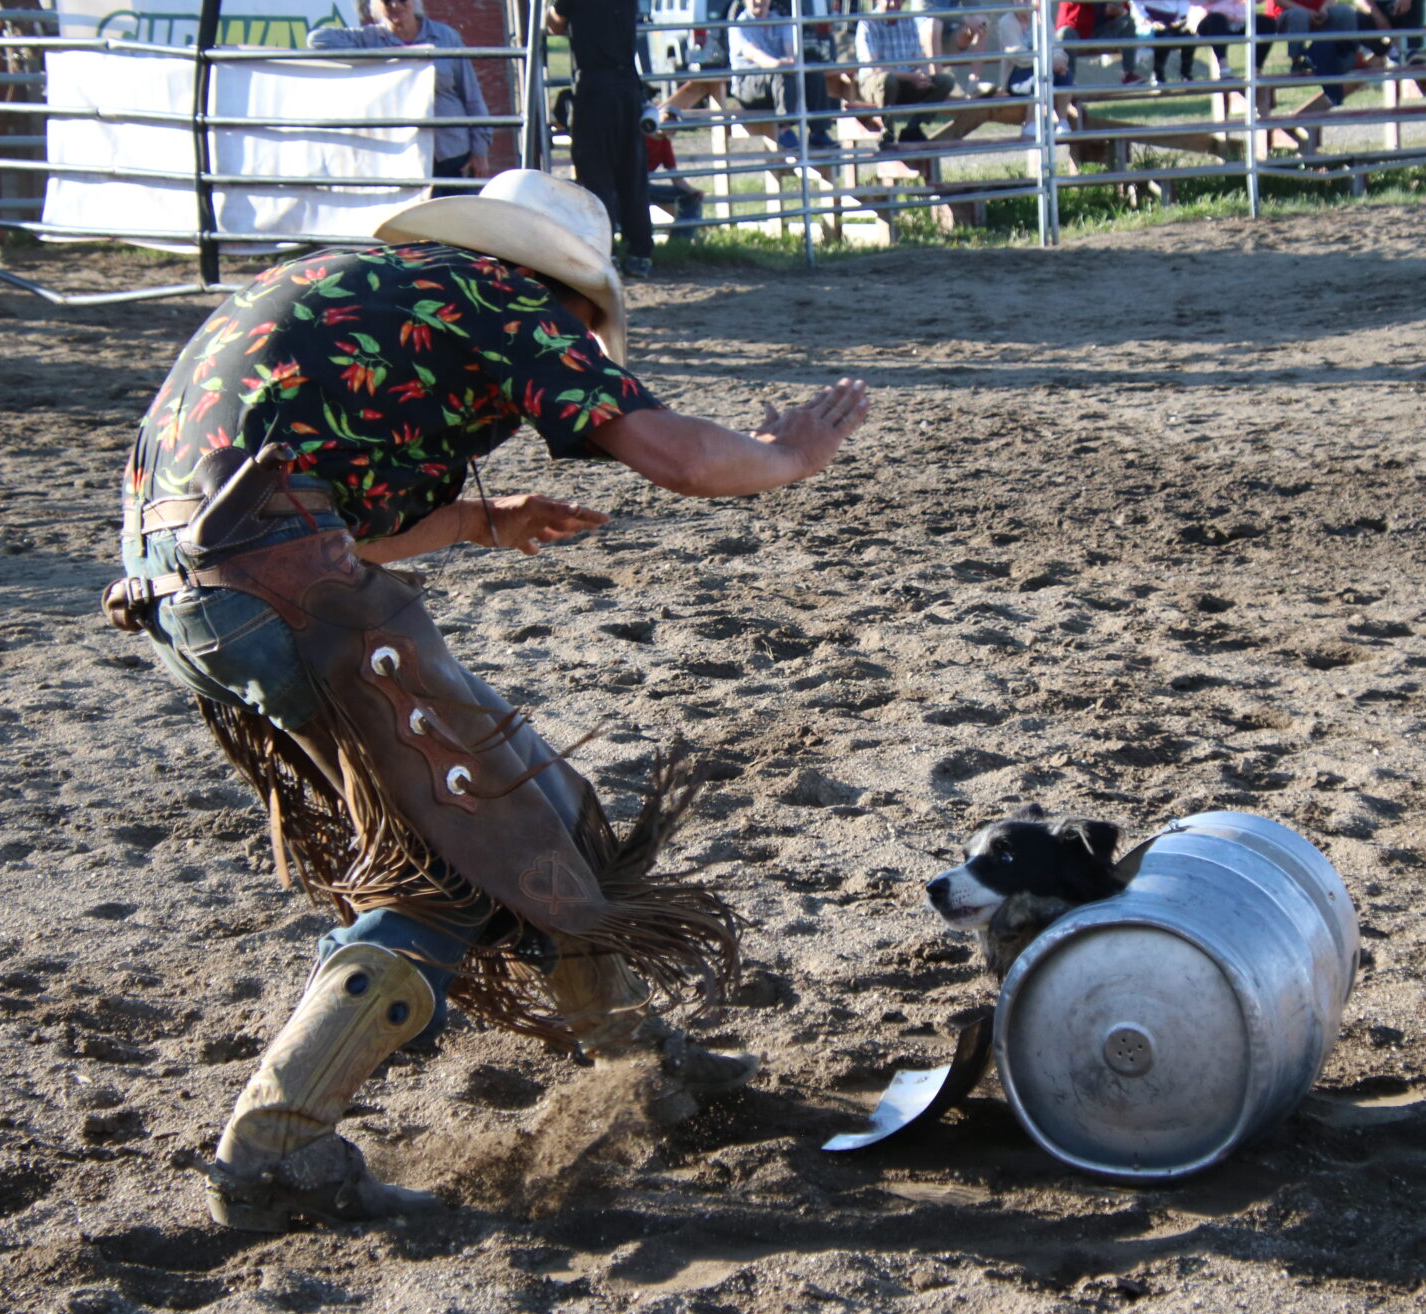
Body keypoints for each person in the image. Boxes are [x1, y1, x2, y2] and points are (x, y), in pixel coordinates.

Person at [105, 170, 870, 1232]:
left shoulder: (355, 285)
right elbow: (670, 453)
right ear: (567, 287)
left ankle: (643, 1062)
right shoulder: (505, 300)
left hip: (186, 592)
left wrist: (481, 522)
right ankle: (278, 1150)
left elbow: (291, 505)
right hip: (276, 590)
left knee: (530, 798)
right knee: (454, 858)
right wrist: (789, 455)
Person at [306, 0, 492, 194]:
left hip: (452, 152)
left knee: (459, 219)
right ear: (375, 6)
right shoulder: (369, 39)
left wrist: (480, 151)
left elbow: (471, 96)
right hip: (403, 155)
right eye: (386, 1)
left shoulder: (445, 36)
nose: (396, 5)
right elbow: (317, 39)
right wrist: (382, 58)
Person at [548, 0, 655, 278]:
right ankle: (640, 253)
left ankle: (603, 251)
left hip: (594, 89)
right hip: (629, 87)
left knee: (596, 176)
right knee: (632, 176)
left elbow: (555, 23)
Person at [729, 0, 839, 152]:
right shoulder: (739, 26)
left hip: (782, 82)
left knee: (813, 73)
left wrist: (790, 61)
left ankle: (819, 131)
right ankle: (785, 131)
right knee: (781, 72)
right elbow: (754, 54)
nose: (759, 1)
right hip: (749, 86)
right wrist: (780, 64)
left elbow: (791, 50)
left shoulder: (782, 21)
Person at [857, 0, 959, 143]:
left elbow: (919, 59)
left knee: (945, 81)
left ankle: (914, 127)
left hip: (906, 81)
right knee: (887, 80)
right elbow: (875, 67)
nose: (893, 4)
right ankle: (886, 128)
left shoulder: (908, 21)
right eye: (888, 0)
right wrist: (911, 77)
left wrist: (923, 75)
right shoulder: (868, 23)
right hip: (875, 84)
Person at [644, 127, 706, 238]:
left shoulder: (664, 143)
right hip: (626, 187)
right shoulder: (639, 137)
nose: (671, 124)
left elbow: (675, 177)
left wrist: (693, 191)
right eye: (667, 119)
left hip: (644, 187)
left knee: (691, 198)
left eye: (675, 121)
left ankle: (680, 242)